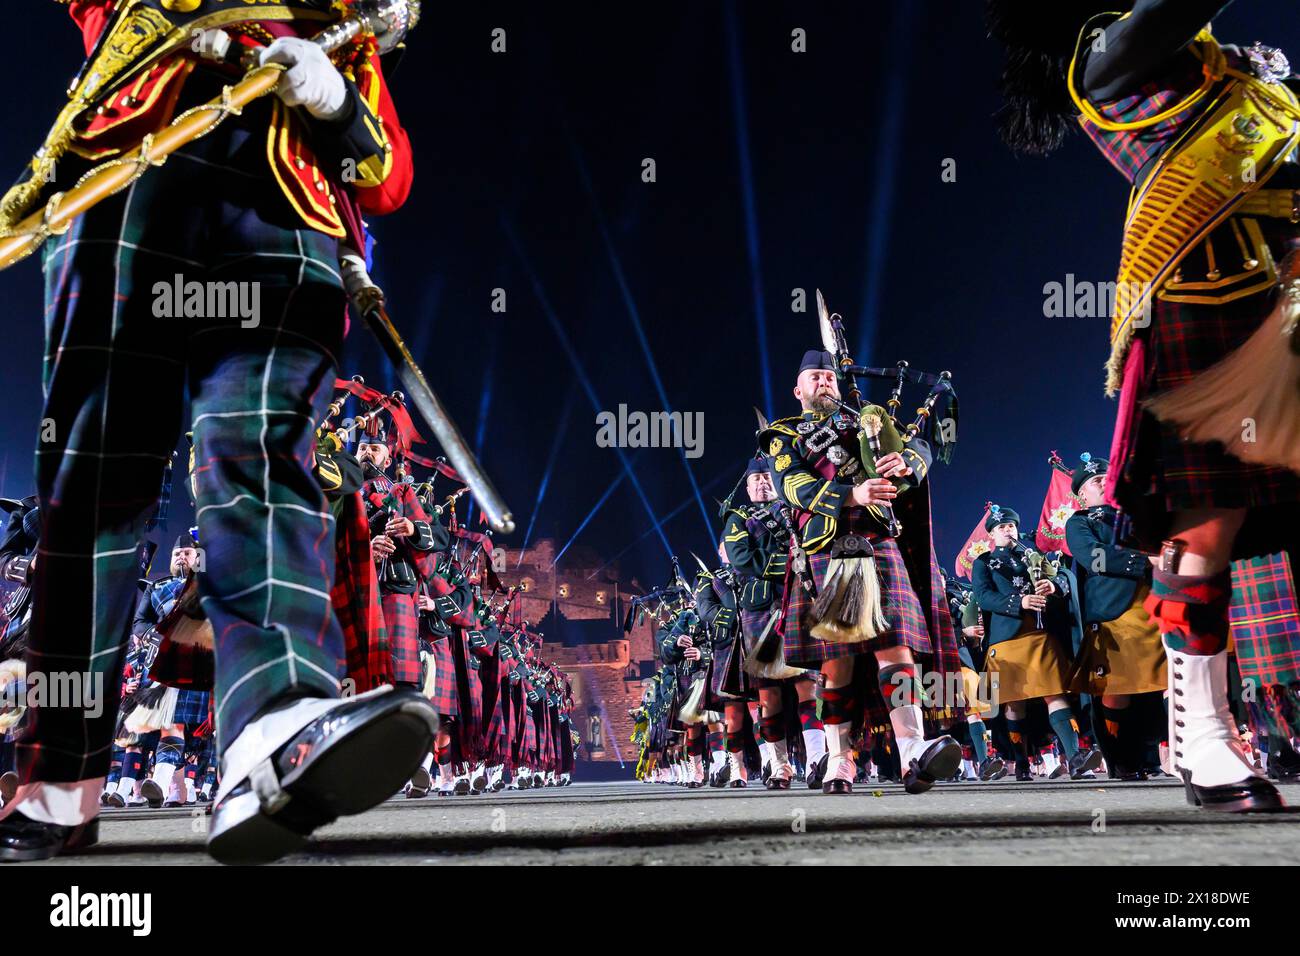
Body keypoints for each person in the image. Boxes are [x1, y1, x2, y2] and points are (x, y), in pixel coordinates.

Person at [0, 1, 435, 864]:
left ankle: (268, 737)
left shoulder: (335, 11)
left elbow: (387, 176)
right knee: (93, 486)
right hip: (128, 176)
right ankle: (59, 781)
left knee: (261, 453)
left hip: (285, 204)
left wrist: (338, 104)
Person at [987, 0, 1300, 810]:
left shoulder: (1222, 64)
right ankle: (1203, 740)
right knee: (1206, 527)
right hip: (1209, 303)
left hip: (1283, 294)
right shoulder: (1103, 56)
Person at [760, 349, 960, 795]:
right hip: (825, 549)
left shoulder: (865, 421)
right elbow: (790, 484)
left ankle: (913, 751)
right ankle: (838, 760)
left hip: (877, 542)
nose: (825, 383)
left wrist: (910, 464)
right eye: (815, 377)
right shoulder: (783, 434)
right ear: (799, 390)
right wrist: (852, 494)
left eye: (829, 376)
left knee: (896, 647)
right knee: (837, 661)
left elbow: (918, 446)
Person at [972, 506, 1101, 781]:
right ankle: (1020, 762)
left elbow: (1061, 580)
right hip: (1006, 639)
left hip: (1039, 635)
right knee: (1014, 704)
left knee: (1055, 693)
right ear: (992, 534)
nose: (1009, 530)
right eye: (1002, 527)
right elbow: (983, 598)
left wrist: (1054, 586)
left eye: (1012, 525)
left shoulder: (1035, 557)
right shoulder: (983, 562)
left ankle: (1076, 758)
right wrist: (1019, 601)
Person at [1065, 456, 1167, 779]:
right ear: (1082, 495)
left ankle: (1155, 754)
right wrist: (1142, 560)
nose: (1103, 483)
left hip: (1155, 604)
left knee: (1159, 683)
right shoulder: (1080, 521)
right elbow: (1093, 557)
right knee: (1119, 688)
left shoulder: (1135, 515)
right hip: (1113, 612)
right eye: (1096, 481)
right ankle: (1121, 757)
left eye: (1106, 478)